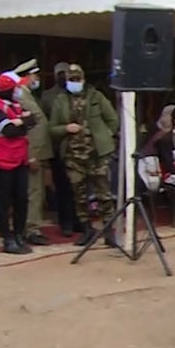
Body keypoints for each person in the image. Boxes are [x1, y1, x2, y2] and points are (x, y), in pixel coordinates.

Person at [48, 64, 120, 246]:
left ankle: (109, 231)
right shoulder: (60, 100)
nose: (74, 83)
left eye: (77, 79)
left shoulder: (96, 97)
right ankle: (87, 229)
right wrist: (66, 128)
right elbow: (52, 128)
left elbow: (112, 120)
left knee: (103, 194)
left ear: (83, 79)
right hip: (74, 156)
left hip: (97, 154)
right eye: (71, 80)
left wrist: (105, 137)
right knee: (78, 195)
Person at [0, 71, 36, 255]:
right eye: (16, 88)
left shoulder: (15, 105)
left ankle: (19, 234)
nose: (19, 90)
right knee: (3, 200)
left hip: (20, 157)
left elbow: (33, 120)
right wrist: (22, 122)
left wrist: (19, 121)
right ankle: (7, 238)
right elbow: (10, 132)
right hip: (1, 159)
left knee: (22, 198)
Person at [13, 59, 52, 246]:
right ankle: (31, 229)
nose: (36, 79)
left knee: (36, 192)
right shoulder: (21, 98)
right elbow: (24, 131)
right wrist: (31, 156)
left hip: (38, 151)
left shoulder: (28, 96)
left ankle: (30, 227)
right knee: (33, 192)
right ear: (27, 77)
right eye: (34, 75)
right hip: (31, 153)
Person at [40, 62, 79, 237]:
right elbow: (45, 125)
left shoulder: (80, 94)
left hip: (80, 148)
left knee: (78, 187)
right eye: (62, 74)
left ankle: (79, 220)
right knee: (63, 187)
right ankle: (66, 222)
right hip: (59, 148)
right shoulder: (48, 97)